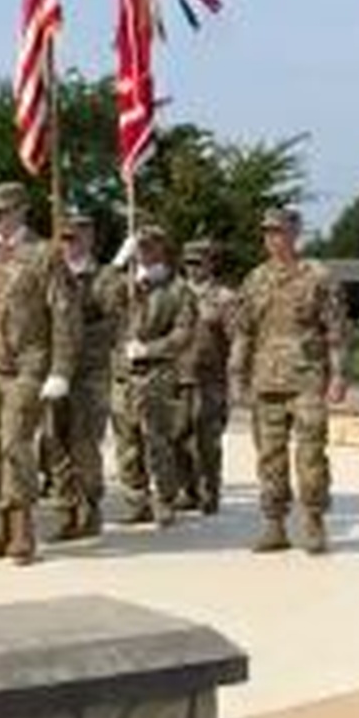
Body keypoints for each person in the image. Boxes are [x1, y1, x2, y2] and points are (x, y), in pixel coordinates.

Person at [0, 182, 80, 566]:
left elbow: (64, 313)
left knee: (15, 444)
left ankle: (22, 530)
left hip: (26, 365)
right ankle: (0, 527)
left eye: (4, 211)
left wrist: (61, 369)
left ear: (22, 211)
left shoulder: (43, 254)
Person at [231, 207, 349, 555]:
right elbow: (243, 332)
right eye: (268, 232)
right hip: (266, 382)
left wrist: (339, 375)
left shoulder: (318, 276)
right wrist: (236, 374)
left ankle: (313, 520)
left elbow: (336, 331)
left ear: (295, 233)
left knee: (311, 455)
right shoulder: (254, 279)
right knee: (270, 457)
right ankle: (275, 525)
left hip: (307, 380)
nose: (272, 238)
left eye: (279, 231)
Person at [109, 224, 196, 528]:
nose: (143, 252)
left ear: (162, 248)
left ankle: (164, 500)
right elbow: (97, 296)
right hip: (123, 374)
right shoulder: (125, 283)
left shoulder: (177, 289)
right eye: (139, 246)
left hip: (156, 373)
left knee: (157, 440)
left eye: (149, 245)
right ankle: (136, 501)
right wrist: (118, 263)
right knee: (126, 442)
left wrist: (151, 348)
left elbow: (184, 333)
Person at [47, 209, 118, 540]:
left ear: (89, 238)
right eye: (64, 238)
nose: (70, 244)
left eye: (76, 237)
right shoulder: (50, 276)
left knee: (84, 443)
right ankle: (66, 511)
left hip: (89, 373)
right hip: (54, 372)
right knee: (55, 442)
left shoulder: (104, 277)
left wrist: (74, 333)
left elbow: (113, 323)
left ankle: (89, 509)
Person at [175, 239, 236, 515]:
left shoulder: (224, 298)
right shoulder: (174, 294)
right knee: (177, 437)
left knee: (207, 441)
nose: (193, 268)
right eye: (188, 262)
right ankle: (187, 490)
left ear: (210, 264)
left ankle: (209, 491)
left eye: (198, 262)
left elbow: (237, 339)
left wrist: (236, 375)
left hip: (210, 380)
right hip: (176, 378)